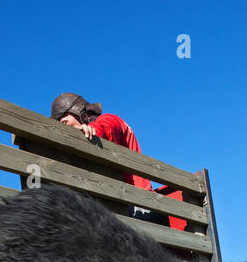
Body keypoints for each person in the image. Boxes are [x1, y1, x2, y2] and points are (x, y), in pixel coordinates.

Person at [50, 93, 187, 231]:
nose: (65, 128)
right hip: (129, 205)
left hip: (141, 205)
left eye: (65, 122)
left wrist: (93, 130)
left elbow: (107, 128)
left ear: (79, 112)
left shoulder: (107, 119)